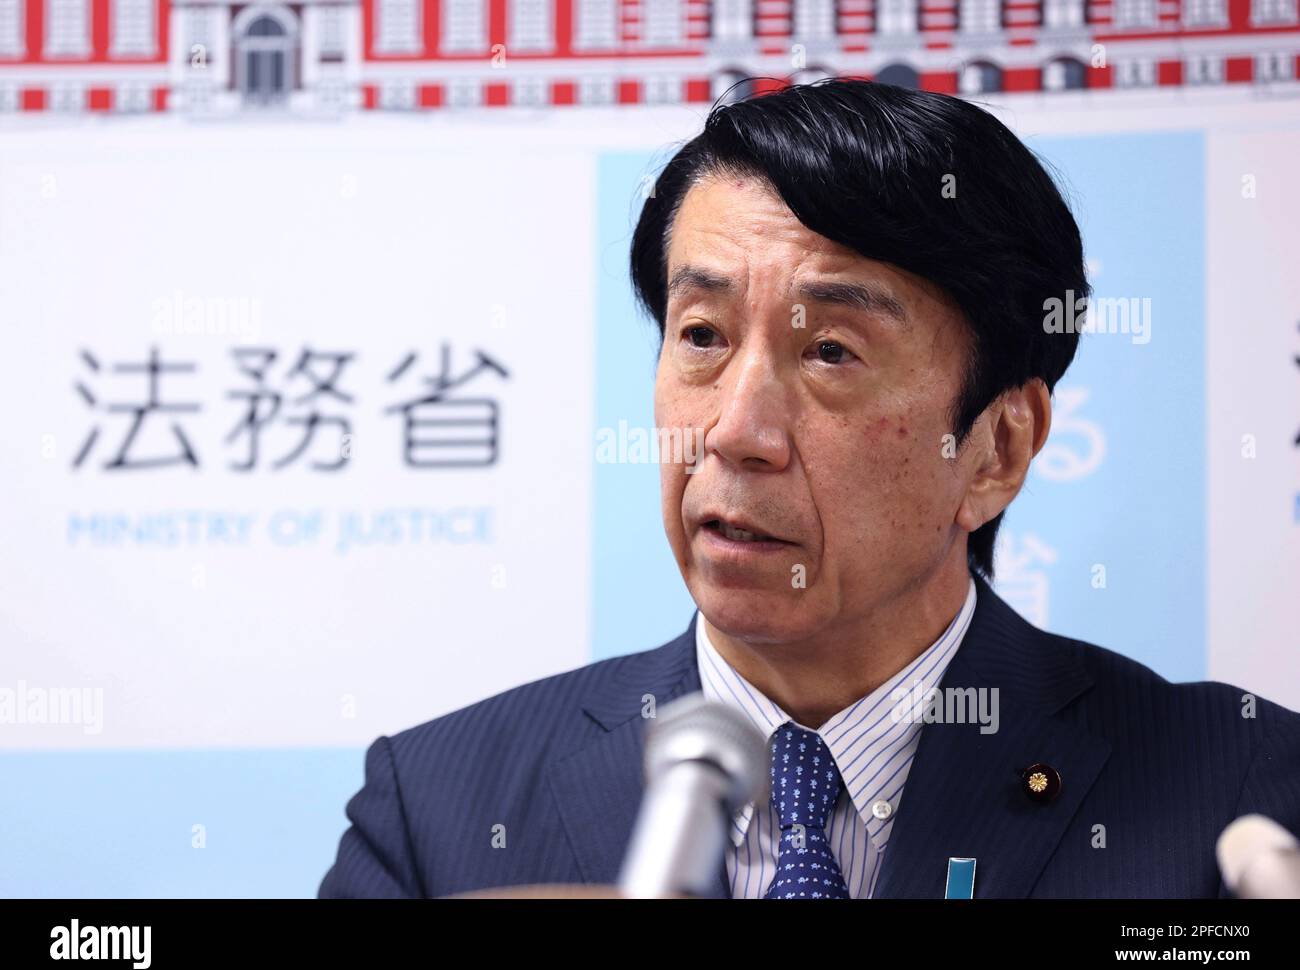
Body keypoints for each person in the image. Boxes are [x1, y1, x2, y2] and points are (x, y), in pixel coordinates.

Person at [319, 78, 1300, 899]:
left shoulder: (1237, 796)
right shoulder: (438, 814)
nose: (733, 432)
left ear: (996, 450)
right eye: (701, 335)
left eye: (830, 350)